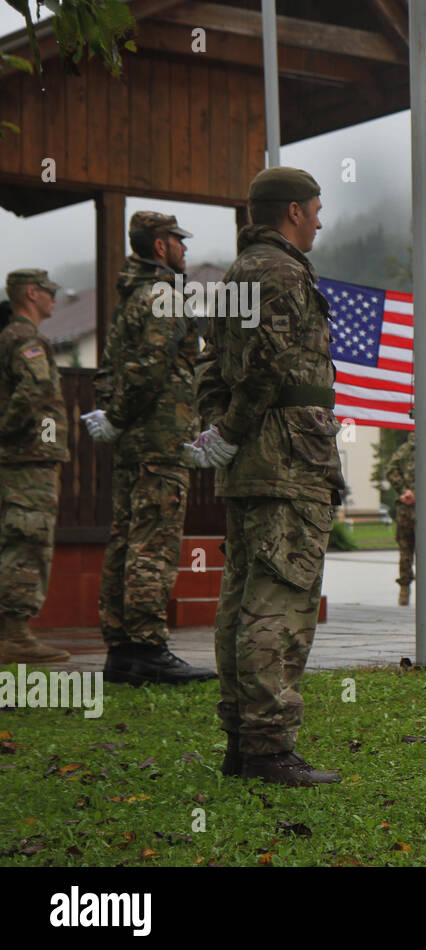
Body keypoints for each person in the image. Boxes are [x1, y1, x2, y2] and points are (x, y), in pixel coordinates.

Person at [193, 166, 344, 786]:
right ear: (291, 212)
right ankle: (267, 746)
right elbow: (267, 364)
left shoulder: (235, 273)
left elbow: (209, 364)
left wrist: (218, 429)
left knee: (242, 595)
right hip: (288, 456)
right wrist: (230, 430)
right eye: (314, 209)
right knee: (278, 599)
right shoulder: (281, 272)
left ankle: (241, 740)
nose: (318, 220)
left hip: (254, 459)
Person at [80, 212, 215, 685]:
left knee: (124, 539)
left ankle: (121, 650)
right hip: (160, 438)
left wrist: (113, 416)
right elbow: (153, 366)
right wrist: (119, 415)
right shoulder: (162, 295)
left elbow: (112, 368)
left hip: (133, 442)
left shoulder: (130, 298)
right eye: (179, 241)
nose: (185, 249)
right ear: (161, 246)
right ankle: (149, 648)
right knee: (153, 542)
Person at [0, 269, 70, 665]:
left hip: (20, 458)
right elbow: (36, 394)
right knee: (28, 540)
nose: (53, 299)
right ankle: (16, 635)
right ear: (31, 293)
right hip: (29, 460)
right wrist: (45, 443)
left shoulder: (10, 337)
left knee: (14, 537)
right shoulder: (27, 339)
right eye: (48, 291)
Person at [385, 429, 426, 606]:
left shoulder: (403, 449)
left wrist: (405, 491)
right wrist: (418, 492)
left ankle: (404, 592)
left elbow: (390, 471)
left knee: (405, 549)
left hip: (405, 506)